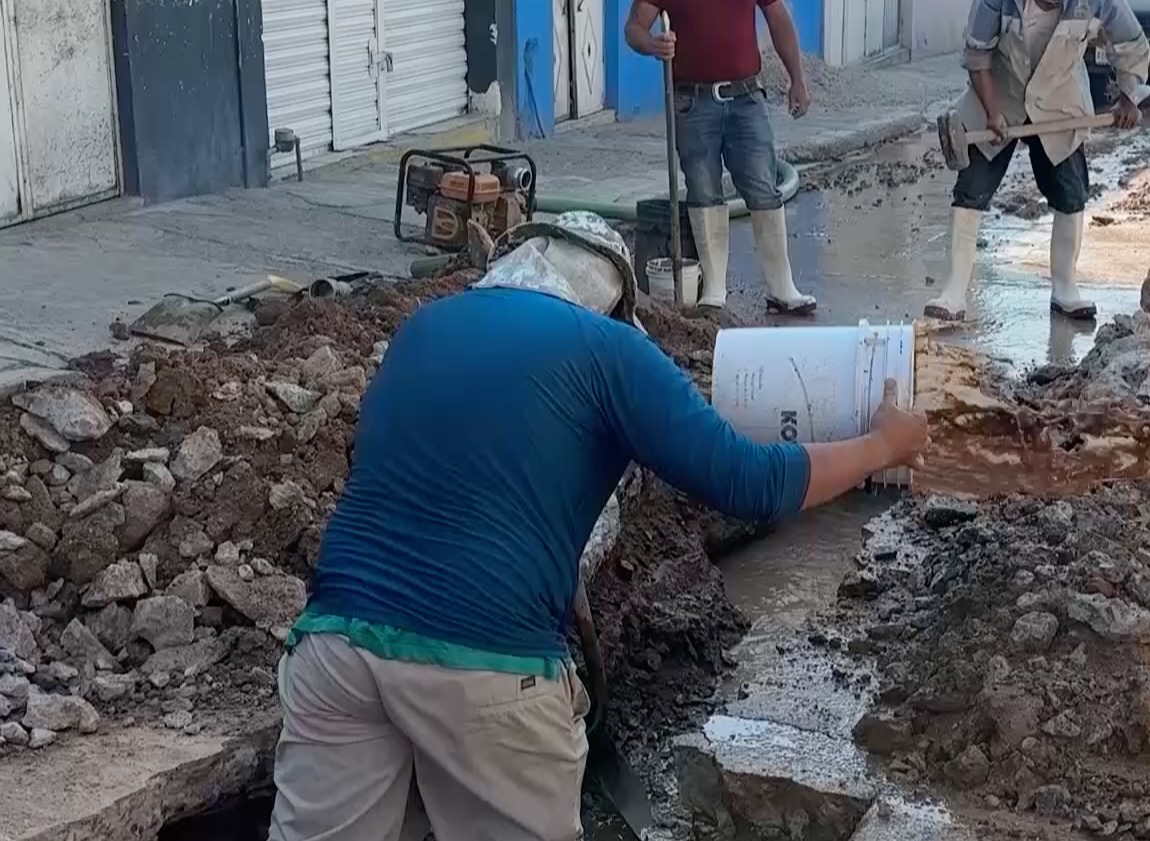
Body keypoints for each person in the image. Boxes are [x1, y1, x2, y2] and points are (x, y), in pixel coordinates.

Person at [266, 211, 930, 841]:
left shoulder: (425, 325)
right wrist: (880, 446)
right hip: (487, 665)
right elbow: (748, 481)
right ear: (612, 303)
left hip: (333, 649)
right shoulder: (610, 351)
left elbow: (426, 477)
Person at [924, 0, 1150, 323]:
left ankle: (1065, 288)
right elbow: (977, 58)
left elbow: (1132, 43)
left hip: (1060, 98)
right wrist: (991, 113)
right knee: (971, 190)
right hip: (1000, 93)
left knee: (1070, 193)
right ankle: (955, 291)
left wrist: (1129, 97)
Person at [625, 0, 818, 315]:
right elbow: (634, 28)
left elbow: (777, 16)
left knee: (763, 185)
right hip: (693, 101)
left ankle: (782, 287)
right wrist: (653, 44)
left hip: (746, 98)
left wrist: (797, 78)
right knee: (703, 190)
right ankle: (714, 289)